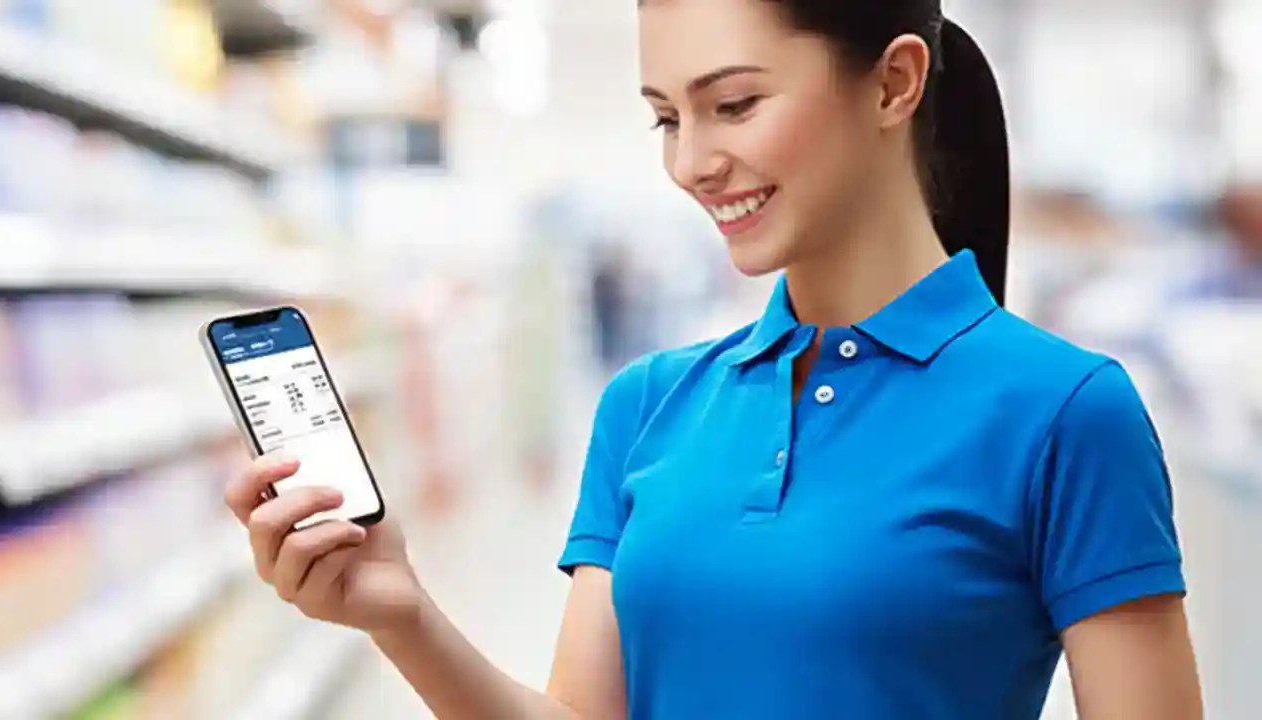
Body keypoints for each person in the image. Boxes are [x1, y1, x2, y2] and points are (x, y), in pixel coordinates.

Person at [223, 1, 1204, 717]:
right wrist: (401, 616)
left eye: (731, 105)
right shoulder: (646, 406)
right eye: (664, 116)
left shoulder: (1064, 412)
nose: (689, 160)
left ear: (893, 82)